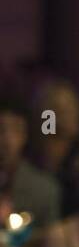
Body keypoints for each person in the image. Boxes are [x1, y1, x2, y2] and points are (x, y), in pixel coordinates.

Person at [0, 93, 61, 228]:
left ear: (25, 136)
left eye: (15, 130)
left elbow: (48, 242)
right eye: (1, 129)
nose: (7, 140)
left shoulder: (44, 189)